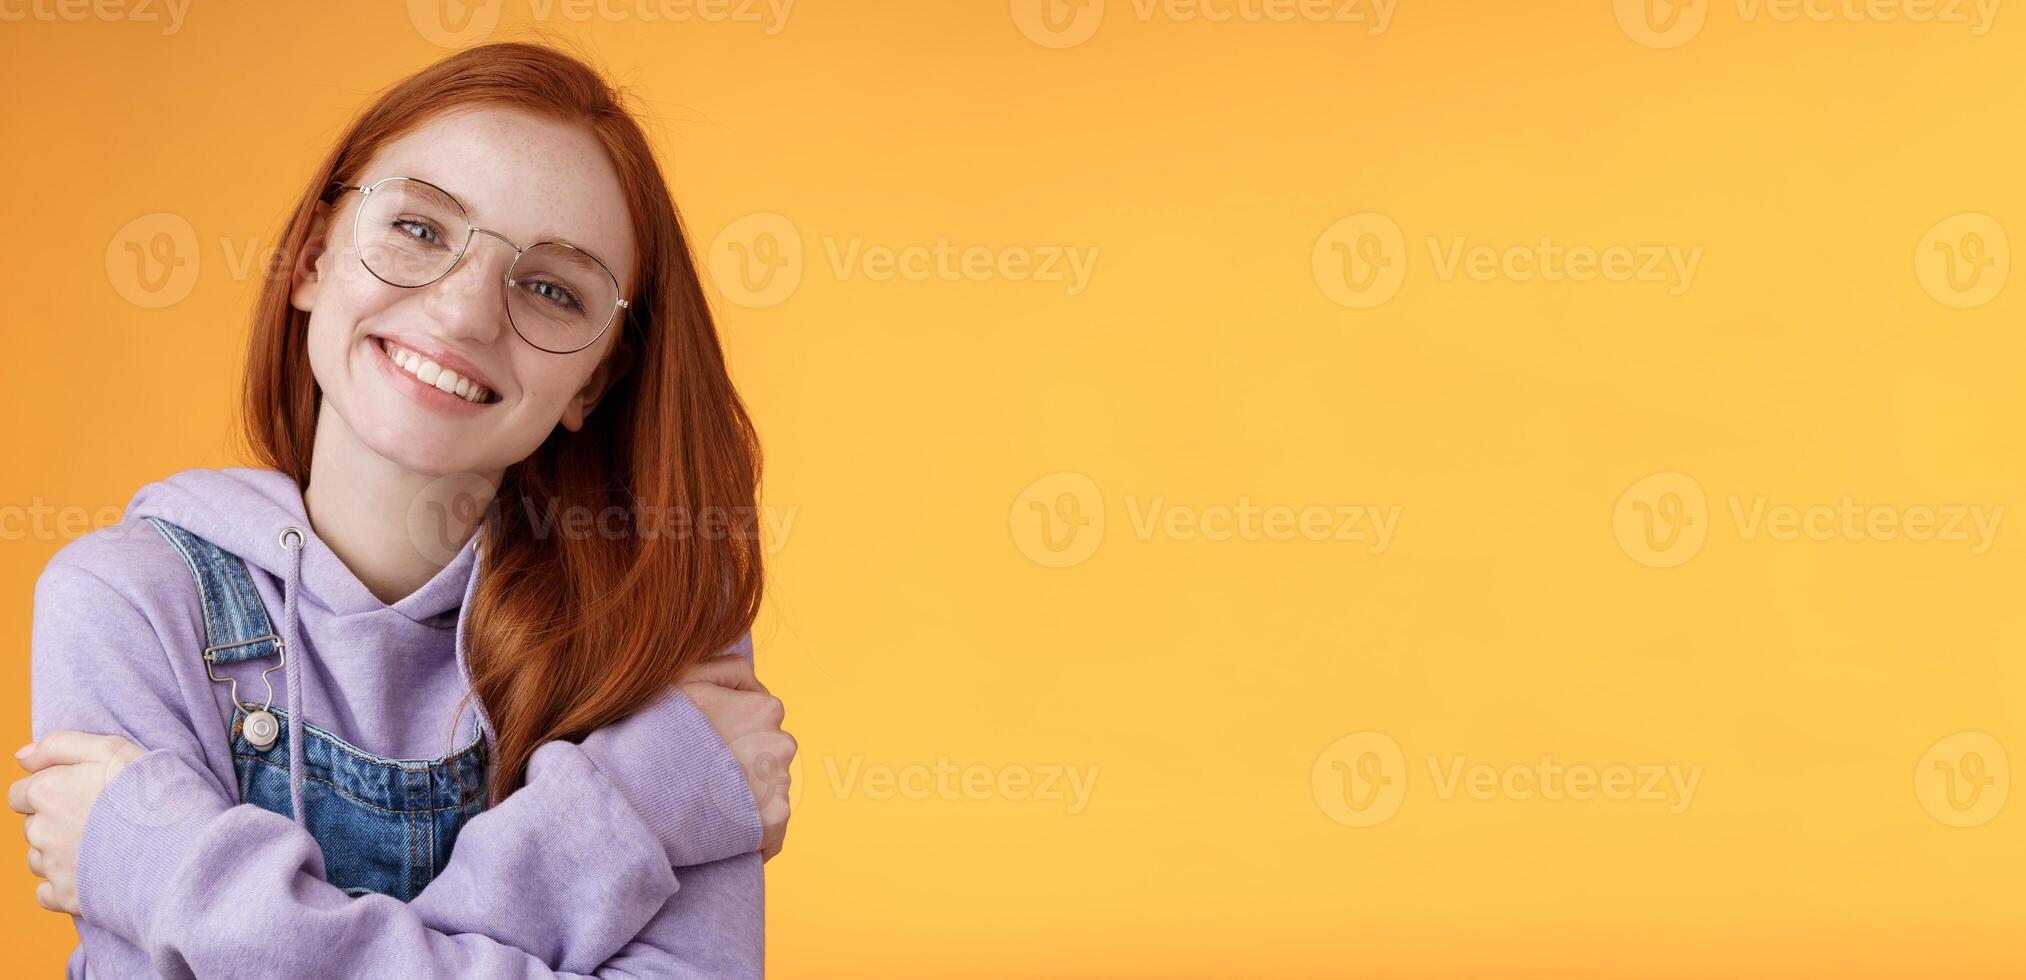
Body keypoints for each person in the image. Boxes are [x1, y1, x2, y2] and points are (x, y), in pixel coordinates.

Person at [7, 41, 793, 978]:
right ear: (308, 259)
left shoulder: (654, 636)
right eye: (421, 229)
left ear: (595, 382)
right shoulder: (128, 604)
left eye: (551, 289)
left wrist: (172, 871)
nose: (464, 315)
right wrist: (626, 812)